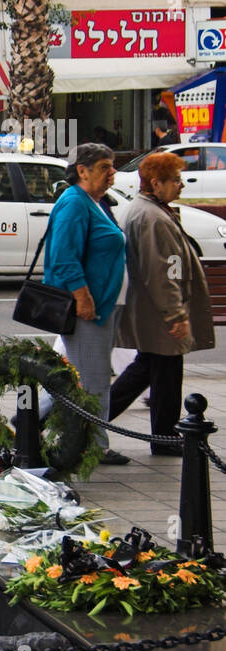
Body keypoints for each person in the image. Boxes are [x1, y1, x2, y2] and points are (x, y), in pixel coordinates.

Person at [108, 152, 214, 455]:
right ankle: (163, 438)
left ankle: (158, 435)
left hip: (151, 312)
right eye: (175, 180)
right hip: (157, 314)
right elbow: (164, 272)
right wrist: (175, 314)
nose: (181, 186)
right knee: (163, 372)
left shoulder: (149, 211)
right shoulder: (153, 217)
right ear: (156, 183)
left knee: (150, 370)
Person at [38, 142, 129, 465]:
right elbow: (63, 257)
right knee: (92, 381)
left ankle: (32, 423)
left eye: (112, 166)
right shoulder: (76, 203)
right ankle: (92, 446)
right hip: (88, 309)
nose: (112, 173)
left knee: (85, 375)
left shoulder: (94, 202)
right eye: (105, 167)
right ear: (82, 170)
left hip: (103, 306)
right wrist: (83, 298)